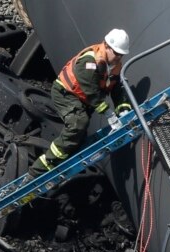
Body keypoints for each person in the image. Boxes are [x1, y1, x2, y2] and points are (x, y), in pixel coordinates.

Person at [29, 29, 132, 177]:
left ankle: (65, 158)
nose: (118, 57)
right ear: (106, 46)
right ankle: (44, 166)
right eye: (116, 53)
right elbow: (90, 90)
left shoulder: (115, 66)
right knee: (78, 123)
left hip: (82, 99)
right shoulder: (90, 61)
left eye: (121, 54)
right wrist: (109, 113)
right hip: (65, 93)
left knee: (80, 134)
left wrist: (123, 108)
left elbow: (115, 88)